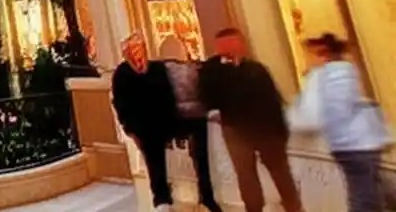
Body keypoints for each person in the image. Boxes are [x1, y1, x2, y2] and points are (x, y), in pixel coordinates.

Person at [199, 28, 302, 212]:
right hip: (236, 128)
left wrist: (280, 131)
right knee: (247, 176)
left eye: (235, 44)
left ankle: (293, 208)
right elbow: (208, 97)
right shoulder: (212, 71)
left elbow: (272, 99)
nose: (233, 49)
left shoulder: (256, 69)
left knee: (280, 173)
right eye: (227, 45)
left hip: (265, 128)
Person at [290, 33, 391, 211]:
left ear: (323, 54)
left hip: (349, 145)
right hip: (364, 143)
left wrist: (291, 119)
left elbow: (312, 116)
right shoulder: (348, 72)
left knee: (362, 197)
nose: (306, 61)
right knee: (369, 192)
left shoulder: (320, 77)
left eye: (309, 55)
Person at [111, 34, 182, 211]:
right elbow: (121, 104)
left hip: (164, 120)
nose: (136, 53)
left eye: (139, 48)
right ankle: (162, 200)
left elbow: (168, 94)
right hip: (143, 127)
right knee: (154, 157)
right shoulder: (122, 74)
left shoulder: (157, 68)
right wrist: (130, 129)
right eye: (132, 49)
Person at [159, 36, 221, 212]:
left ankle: (167, 195)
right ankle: (207, 197)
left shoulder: (159, 73)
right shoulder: (193, 69)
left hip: (174, 118)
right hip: (197, 116)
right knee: (202, 160)